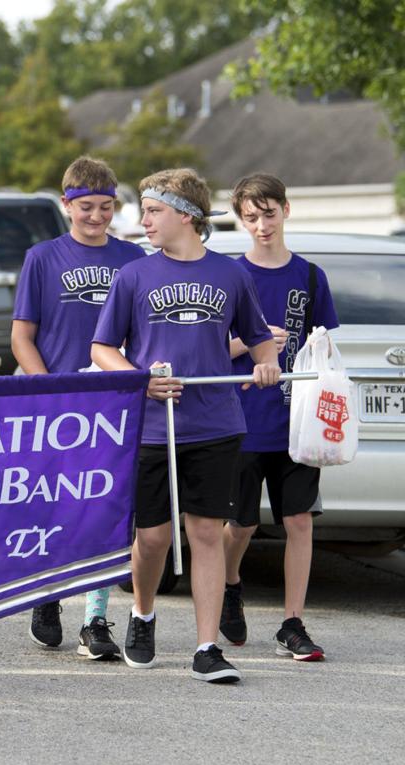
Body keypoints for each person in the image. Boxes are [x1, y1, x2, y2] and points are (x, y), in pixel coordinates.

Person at [91, 167, 281, 684]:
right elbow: (102, 349)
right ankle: (143, 613)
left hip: (216, 423)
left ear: (187, 216)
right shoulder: (134, 275)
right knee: (152, 539)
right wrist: (139, 381)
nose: (144, 221)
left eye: (153, 211)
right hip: (152, 426)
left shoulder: (231, 274)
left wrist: (266, 363)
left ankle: (206, 648)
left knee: (206, 532)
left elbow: (260, 340)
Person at [11, 157, 147, 659]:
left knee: (105, 510)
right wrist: (46, 391)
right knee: (54, 506)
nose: (96, 216)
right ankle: (46, 596)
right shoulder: (43, 257)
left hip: (112, 402)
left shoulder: (133, 258)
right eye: (86, 206)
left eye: (106, 207)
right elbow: (21, 337)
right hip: (56, 400)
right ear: (66, 203)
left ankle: (95, 619)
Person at [221, 173, 339, 662]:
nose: (262, 225)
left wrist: (310, 350)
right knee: (242, 525)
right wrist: (252, 344)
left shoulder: (310, 276)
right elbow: (207, 349)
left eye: (269, 213)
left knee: (299, 521)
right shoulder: (228, 275)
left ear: (286, 211)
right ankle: (230, 584)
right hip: (242, 418)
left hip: (298, 421)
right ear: (241, 220)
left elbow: (327, 347)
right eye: (251, 217)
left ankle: (292, 622)